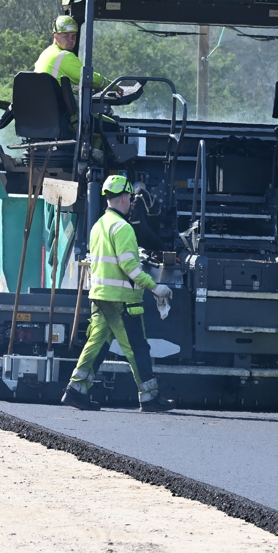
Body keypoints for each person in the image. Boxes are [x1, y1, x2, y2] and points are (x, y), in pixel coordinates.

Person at [62, 175, 175, 413]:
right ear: (124, 198)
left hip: (100, 297)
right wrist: (155, 287)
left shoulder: (99, 226)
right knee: (137, 348)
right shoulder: (123, 228)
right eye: (130, 199)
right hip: (121, 300)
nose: (130, 202)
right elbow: (129, 267)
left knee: (97, 344)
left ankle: (76, 390)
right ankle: (150, 398)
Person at [35, 16, 105, 93]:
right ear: (56, 36)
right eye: (66, 36)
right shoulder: (64, 56)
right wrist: (112, 86)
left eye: (73, 36)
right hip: (59, 101)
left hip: (48, 99)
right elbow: (92, 79)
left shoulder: (45, 53)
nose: (71, 40)